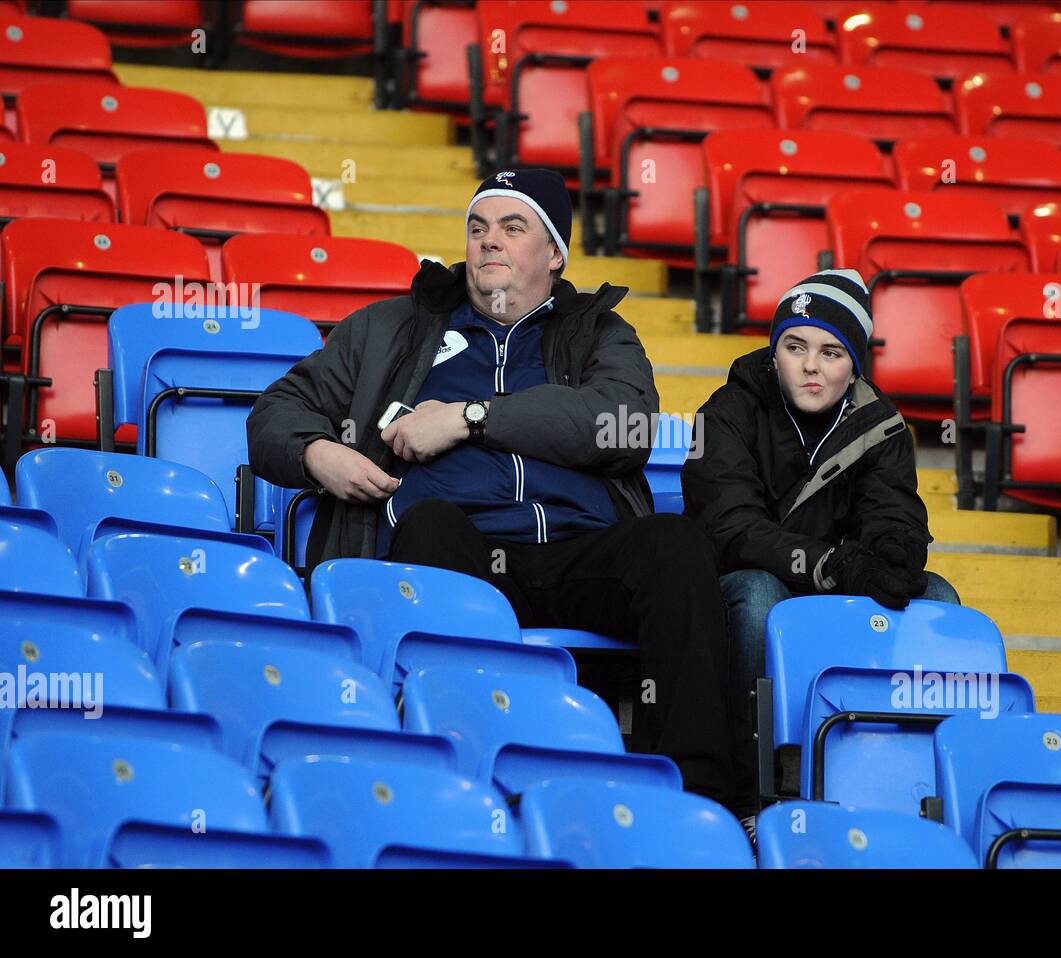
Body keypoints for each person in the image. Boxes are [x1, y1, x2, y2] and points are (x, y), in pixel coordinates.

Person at [247, 169, 736, 811]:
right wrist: (318, 456)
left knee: (677, 547)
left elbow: (622, 426)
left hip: (576, 556)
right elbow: (273, 413)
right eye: (477, 228)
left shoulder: (598, 333)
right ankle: (468, 782)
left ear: (555, 254)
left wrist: (470, 417)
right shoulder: (393, 329)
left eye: (512, 227)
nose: (488, 242)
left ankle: (700, 802)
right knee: (430, 525)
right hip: (457, 552)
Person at [681, 268, 959, 822]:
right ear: (775, 350)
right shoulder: (727, 412)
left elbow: (894, 511)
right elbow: (732, 530)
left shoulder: (880, 425)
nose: (810, 366)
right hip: (750, 578)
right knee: (761, 598)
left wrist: (896, 553)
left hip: (838, 582)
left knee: (938, 597)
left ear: (854, 363)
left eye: (831, 352)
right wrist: (833, 565)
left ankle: (908, 791)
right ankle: (749, 800)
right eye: (795, 346)